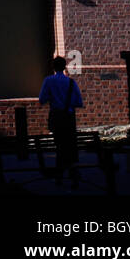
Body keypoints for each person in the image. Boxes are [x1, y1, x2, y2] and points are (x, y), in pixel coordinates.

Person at [39, 55, 83, 188]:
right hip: (69, 117)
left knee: (60, 146)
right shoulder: (71, 82)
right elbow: (79, 102)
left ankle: (60, 175)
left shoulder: (49, 81)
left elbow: (42, 99)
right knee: (70, 146)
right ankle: (73, 173)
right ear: (65, 67)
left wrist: (54, 98)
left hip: (56, 116)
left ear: (53, 67)